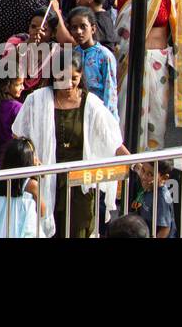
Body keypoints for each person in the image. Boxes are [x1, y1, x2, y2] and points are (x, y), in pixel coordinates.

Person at [12, 52, 127, 238]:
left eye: (74, 78)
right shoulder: (36, 100)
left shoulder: (91, 105)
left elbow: (112, 140)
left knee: (78, 230)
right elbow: (18, 134)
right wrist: (32, 157)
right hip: (46, 180)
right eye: (62, 78)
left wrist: (137, 163)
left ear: (81, 76)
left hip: (80, 185)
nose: (68, 84)